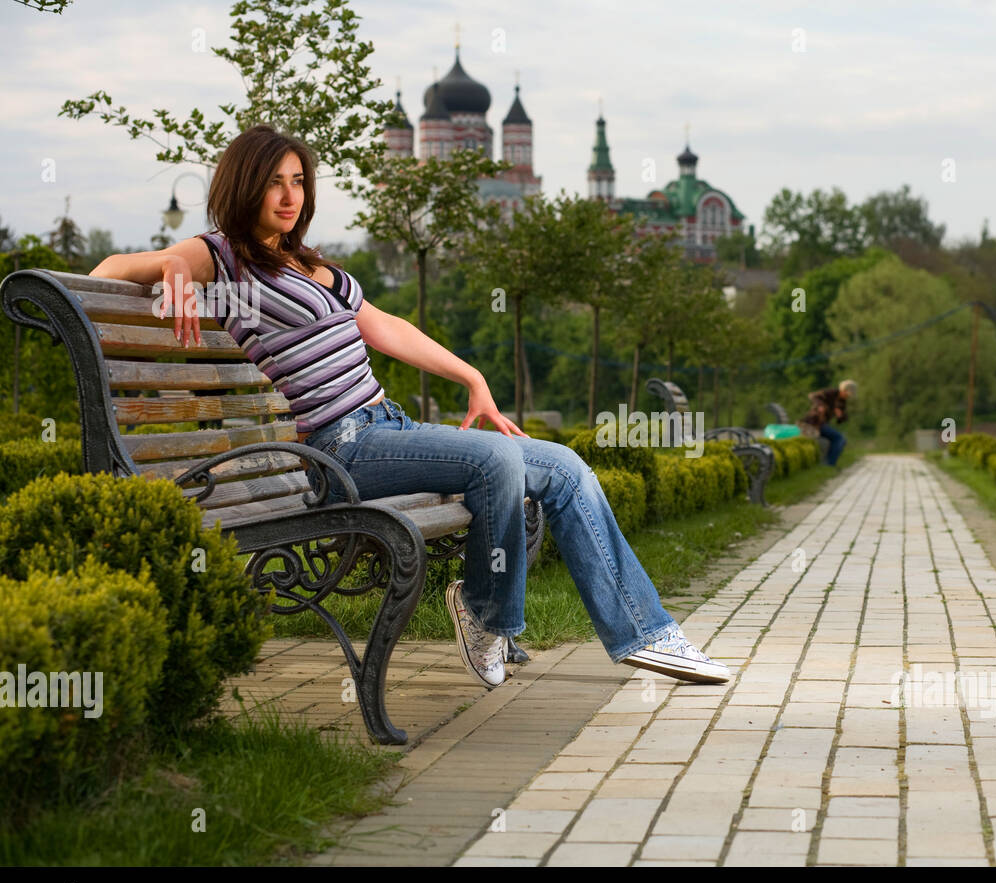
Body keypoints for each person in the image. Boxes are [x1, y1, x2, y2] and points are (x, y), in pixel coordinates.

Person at [88, 123, 729, 689]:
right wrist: (172, 261)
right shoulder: (226, 257)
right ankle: (484, 614)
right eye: (274, 183)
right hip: (339, 450)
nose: (290, 196)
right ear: (243, 186)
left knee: (564, 468)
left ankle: (648, 633)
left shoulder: (313, 265)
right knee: (497, 463)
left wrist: (472, 377)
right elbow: (114, 266)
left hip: (386, 428)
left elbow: (387, 325)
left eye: (299, 181)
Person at [799, 380, 856, 467]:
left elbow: (842, 420)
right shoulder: (831, 393)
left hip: (823, 424)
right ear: (843, 390)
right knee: (839, 438)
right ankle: (830, 464)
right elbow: (813, 396)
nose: (848, 396)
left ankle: (829, 463)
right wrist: (820, 405)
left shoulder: (842, 402)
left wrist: (840, 415)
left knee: (842, 440)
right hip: (813, 422)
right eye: (847, 394)